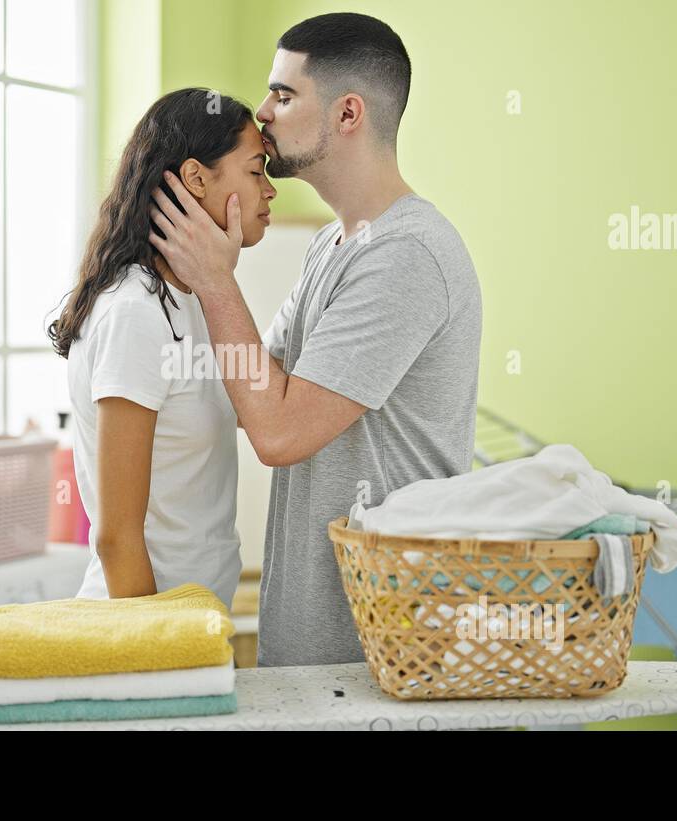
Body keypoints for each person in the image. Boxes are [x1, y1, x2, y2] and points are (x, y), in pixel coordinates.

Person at [148, 13, 483, 665]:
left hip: (378, 663)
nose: (264, 113)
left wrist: (217, 281)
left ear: (348, 114)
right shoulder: (335, 245)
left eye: (284, 94)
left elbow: (277, 432)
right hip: (310, 654)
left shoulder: (406, 255)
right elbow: (253, 391)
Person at [48, 88, 277, 611]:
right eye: (255, 170)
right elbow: (115, 537)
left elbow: (267, 404)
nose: (270, 191)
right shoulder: (134, 312)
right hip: (146, 631)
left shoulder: (197, 299)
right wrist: (158, 657)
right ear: (197, 178)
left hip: (196, 621)